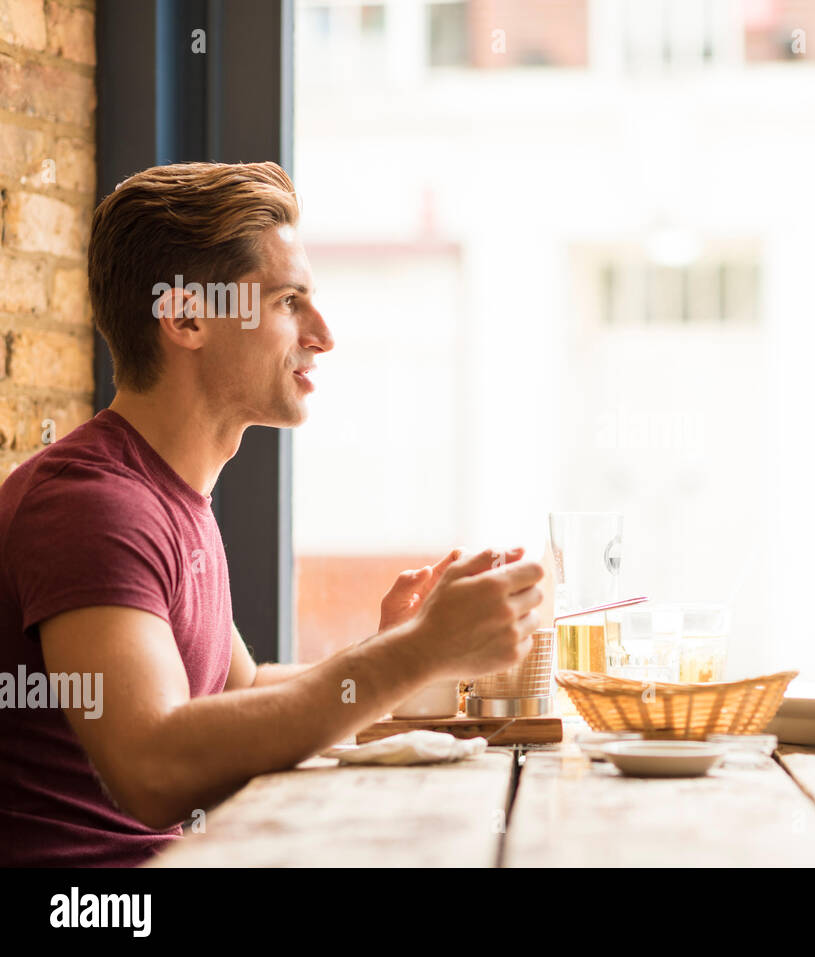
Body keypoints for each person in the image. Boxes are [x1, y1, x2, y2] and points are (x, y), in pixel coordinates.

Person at [0, 161, 545, 866]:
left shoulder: (166, 494)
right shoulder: (91, 506)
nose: (322, 333)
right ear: (187, 315)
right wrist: (420, 652)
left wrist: (393, 645)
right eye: (289, 301)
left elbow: (243, 690)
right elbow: (152, 763)